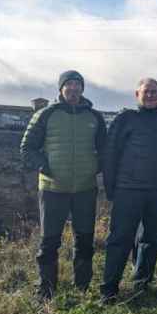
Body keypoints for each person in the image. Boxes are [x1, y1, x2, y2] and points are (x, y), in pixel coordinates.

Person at [20, 70, 107, 299]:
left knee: (85, 239)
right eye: (68, 84)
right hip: (52, 189)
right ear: (61, 89)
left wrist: (95, 167)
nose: (73, 89)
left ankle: (82, 287)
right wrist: (45, 167)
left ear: (82, 89)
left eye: (77, 85)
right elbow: (27, 148)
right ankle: (46, 290)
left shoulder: (94, 117)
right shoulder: (46, 114)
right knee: (49, 241)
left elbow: (105, 150)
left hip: (85, 188)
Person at [100, 78, 157, 302]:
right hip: (128, 189)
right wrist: (110, 188)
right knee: (120, 239)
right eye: (147, 92)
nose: (151, 95)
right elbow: (110, 154)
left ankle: (142, 283)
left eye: (155, 92)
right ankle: (109, 289)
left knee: (152, 239)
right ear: (137, 94)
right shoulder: (124, 119)